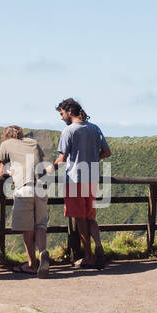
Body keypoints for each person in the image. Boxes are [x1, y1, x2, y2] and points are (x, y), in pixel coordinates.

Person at [54, 98, 111, 269]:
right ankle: (99, 245)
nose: (61, 117)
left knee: (80, 219)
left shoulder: (68, 131)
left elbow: (62, 158)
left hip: (75, 179)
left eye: (62, 113)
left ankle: (88, 257)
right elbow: (107, 152)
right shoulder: (95, 128)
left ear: (69, 112)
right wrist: (93, 158)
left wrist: (46, 169)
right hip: (92, 177)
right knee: (90, 217)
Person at [0, 125, 52, 276]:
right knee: (40, 225)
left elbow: (2, 171)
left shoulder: (5, 144)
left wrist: (10, 172)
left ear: (6, 135)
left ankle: (31, 264)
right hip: (41, 187)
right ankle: (43, 253)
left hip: (25, 187)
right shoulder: (33, 143)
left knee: (27, 228)